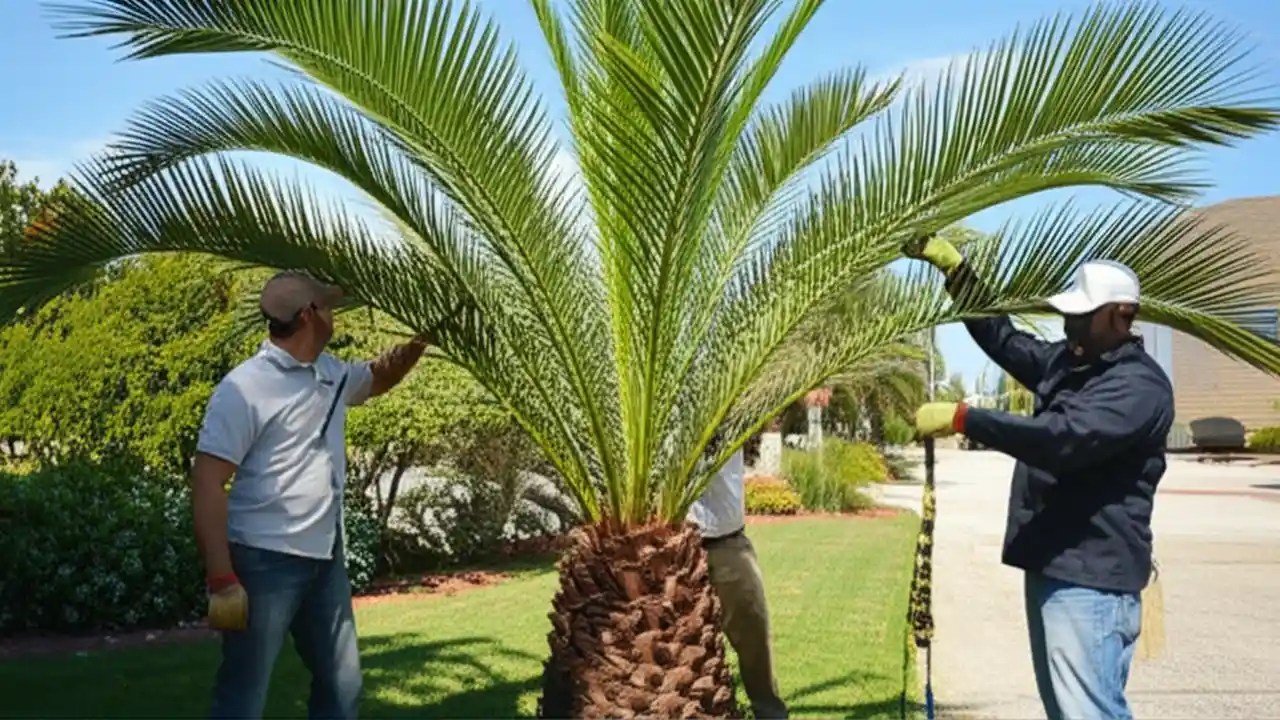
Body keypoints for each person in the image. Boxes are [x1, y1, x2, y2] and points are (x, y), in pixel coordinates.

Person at [906, 236, 1173, 720]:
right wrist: (957, 273)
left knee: (1088, 713)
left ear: (1118, 315)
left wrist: (966, 418)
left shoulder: (1137, 387)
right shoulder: (1072, 363)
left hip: (1092, 581)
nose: (1067, 323)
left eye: (1079, 314)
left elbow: (1061, 440)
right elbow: (1004, 340)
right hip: (1056, 568)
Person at [191, 270, 433, 719]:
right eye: (327, 305)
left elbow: (379, 376)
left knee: (343, 687)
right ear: (308, 316)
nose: (333, 312)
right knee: (243, 694)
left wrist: (421, 339)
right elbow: (208, 480)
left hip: (325, 560)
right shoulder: (243, 389)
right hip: (262, 563)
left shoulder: (330, 373)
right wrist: (222, 577)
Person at [689, 445, 788, 719]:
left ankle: (770, 714)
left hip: (727, 542)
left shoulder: (732, 411)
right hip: (672, 546)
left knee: (754, 632)